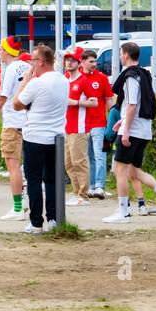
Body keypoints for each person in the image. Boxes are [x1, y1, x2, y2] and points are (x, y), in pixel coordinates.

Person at [103, 41, 156, 223]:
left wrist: (125, 130)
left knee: (120, 169)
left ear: (126, 55)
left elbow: (132, 104)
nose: (120, 57)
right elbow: (134, 105)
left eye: (120, 53)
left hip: (132, 131)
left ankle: (123, 212)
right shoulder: (143, 74)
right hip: (143, 129)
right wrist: (122, 121)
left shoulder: (130, 77)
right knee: (134, 171)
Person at [12, 44, 70, 233]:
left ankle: (36, 222)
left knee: (34, 180)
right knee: (52, 179)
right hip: (57, 137)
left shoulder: (37, 82)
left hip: (35, 136)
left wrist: (25, 81)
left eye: (33, 61)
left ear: (41, 61)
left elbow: (17, 104)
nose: (31, 65)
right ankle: (53, 218)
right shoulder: (63, 80)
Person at [0, 37, 31, 221]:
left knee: (13, 166)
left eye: (1, 49)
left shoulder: (10, 69)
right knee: (27, 167)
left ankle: (18, 208)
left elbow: (2, 98)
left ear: (8, 51)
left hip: (12, 122)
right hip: (27, 121)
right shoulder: (26, 66)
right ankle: (27, 204)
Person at [73, 50, 113, 198]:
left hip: (99, 122)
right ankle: (90, 186)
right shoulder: (75, 77)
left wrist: (112, 118)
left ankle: (99, 186)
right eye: (91, 61)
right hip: (82, 124)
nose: (94, 64)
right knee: (87, 156)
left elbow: (109, 98)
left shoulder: (101, 78)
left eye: (95, 61)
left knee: (100, 154)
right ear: (82, 62)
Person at [62, 48, 94, 206]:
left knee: (79, 161)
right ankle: (77, 193)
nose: (69, 62)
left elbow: (94, 102)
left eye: (72, 60)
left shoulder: (84, 81)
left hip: (80, 127)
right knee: (68, 162)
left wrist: (76, 103)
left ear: (79, 62)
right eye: (67, 60)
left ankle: (83, 195)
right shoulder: (64, 79)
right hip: (66, 127)